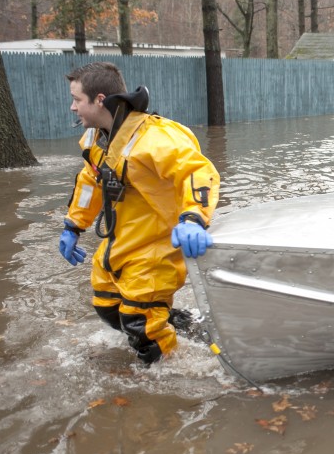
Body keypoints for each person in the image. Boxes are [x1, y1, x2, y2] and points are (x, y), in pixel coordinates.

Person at [59, 62, 220, 364]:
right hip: (121, 243)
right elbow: (89, 182)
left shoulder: (155, 138)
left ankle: (171, 377)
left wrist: (194, 219)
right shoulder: (97, 139)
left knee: (140, 323)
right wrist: (73, 226)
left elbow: (197, 172)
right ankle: (183, 327)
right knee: (106, 305)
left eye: (77, 99)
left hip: (157, 246)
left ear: (100, 99)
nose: (72, 107)